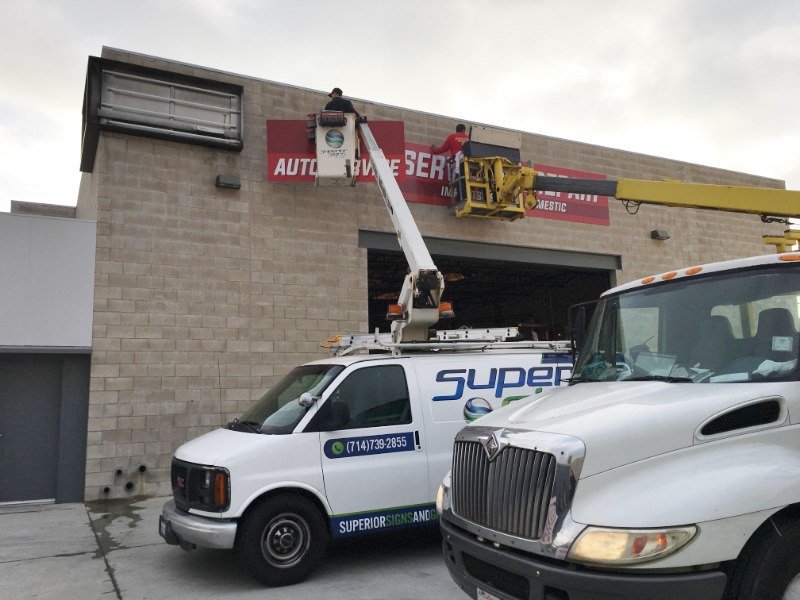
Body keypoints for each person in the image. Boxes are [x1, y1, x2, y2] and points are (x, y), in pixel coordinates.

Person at [431, 124, 469, 191]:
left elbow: (442, 149)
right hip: (468, 164)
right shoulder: (468, 138)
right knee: (466, 180)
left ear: (456, 130)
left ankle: (460, 196)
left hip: (456, 163)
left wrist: (434, 150)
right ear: (463, 130)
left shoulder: (451, 137)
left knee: (458, 180)